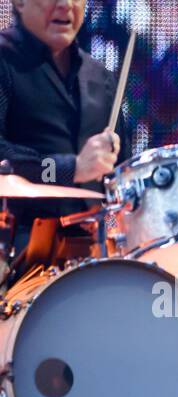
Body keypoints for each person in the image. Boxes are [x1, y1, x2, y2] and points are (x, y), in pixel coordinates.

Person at [0, 0, 123, 237]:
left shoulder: (100, 76)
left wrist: (112, 226)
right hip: (20, 248)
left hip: (93, 249)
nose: (66, 4)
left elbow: (120, 177)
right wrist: (70, 169)